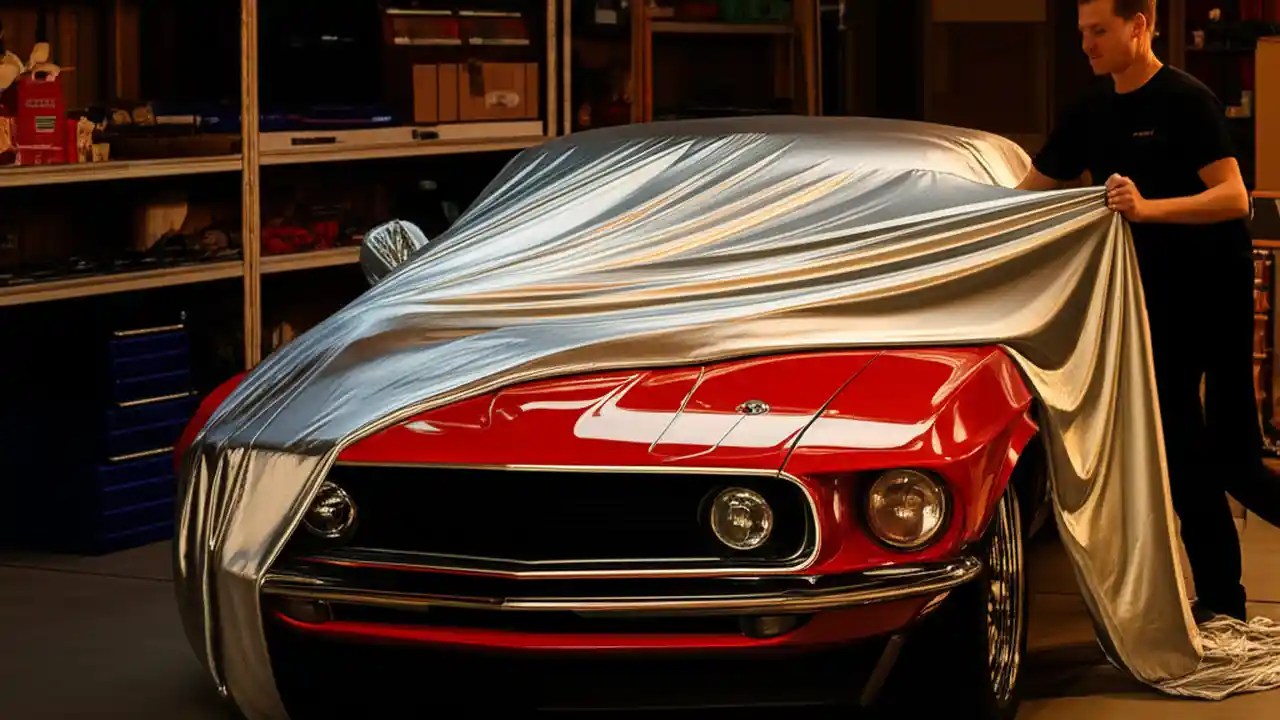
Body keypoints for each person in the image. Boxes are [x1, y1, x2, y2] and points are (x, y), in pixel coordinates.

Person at [1017, 0, 1280, 623]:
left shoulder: (1188, 100)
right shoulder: (1088, 111)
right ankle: (1223, 604)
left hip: (1215, 295)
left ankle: (1223, 598)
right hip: (1151, 306)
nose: (1087, 45)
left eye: (1100, 31)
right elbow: (1028, 195)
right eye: (1082, 33)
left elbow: (1233, 198)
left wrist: (1146, 208)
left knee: (1236, 461)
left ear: (1140, 26)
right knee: (1187, 456)